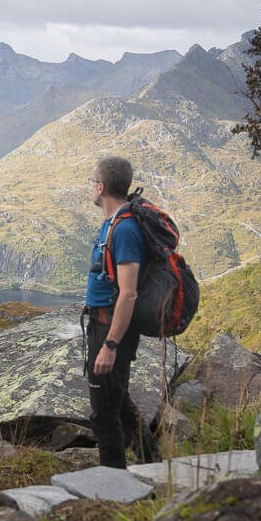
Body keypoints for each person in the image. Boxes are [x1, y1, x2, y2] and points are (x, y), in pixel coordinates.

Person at [83, 156, 156, 467]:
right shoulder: (115, 222)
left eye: (91, 181)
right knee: (120, 403)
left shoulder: (124, 229)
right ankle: (155, 464)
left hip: (111, 330)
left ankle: (113, 486)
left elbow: (128, 293)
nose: (90, 186)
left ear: (101, 187)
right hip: (102, 326)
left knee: (104, 415)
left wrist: (110, 345)